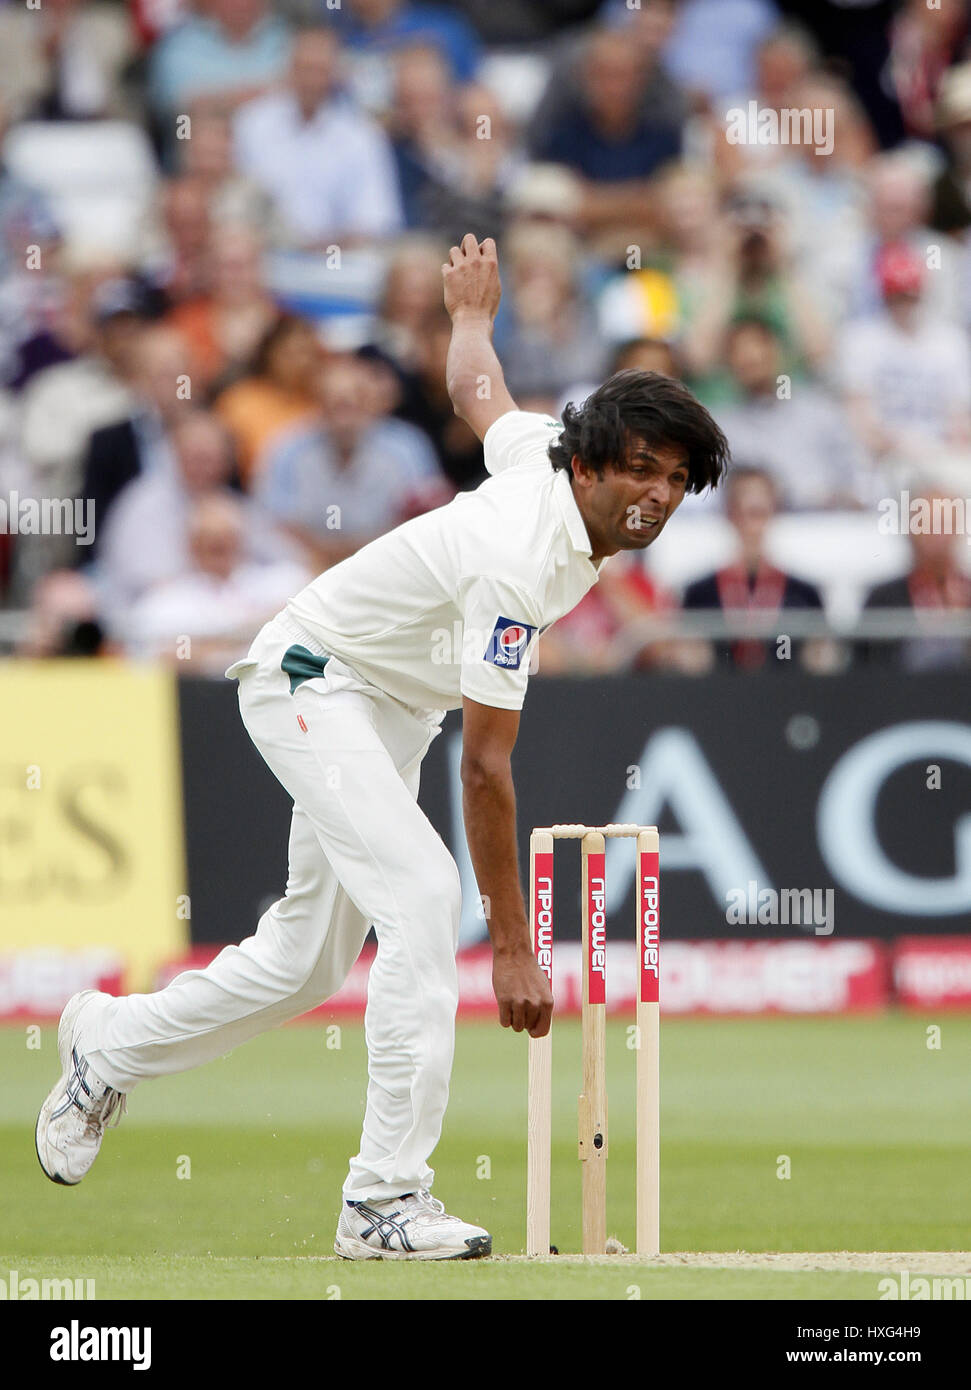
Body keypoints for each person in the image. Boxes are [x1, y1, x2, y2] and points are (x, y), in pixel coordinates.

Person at [35, 234, 728, 1260]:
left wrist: (466, 320)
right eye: (636, 471)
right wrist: (507, 945)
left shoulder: (543, 446)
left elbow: (479, 394)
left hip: (385, 709)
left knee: (305, 963)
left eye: (674, 480)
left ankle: (106, 1046)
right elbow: (486, 767)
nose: (655, 497)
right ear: (584, 466)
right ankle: (382, 1198)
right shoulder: (514, 566)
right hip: (312, 678)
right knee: (414, 897)